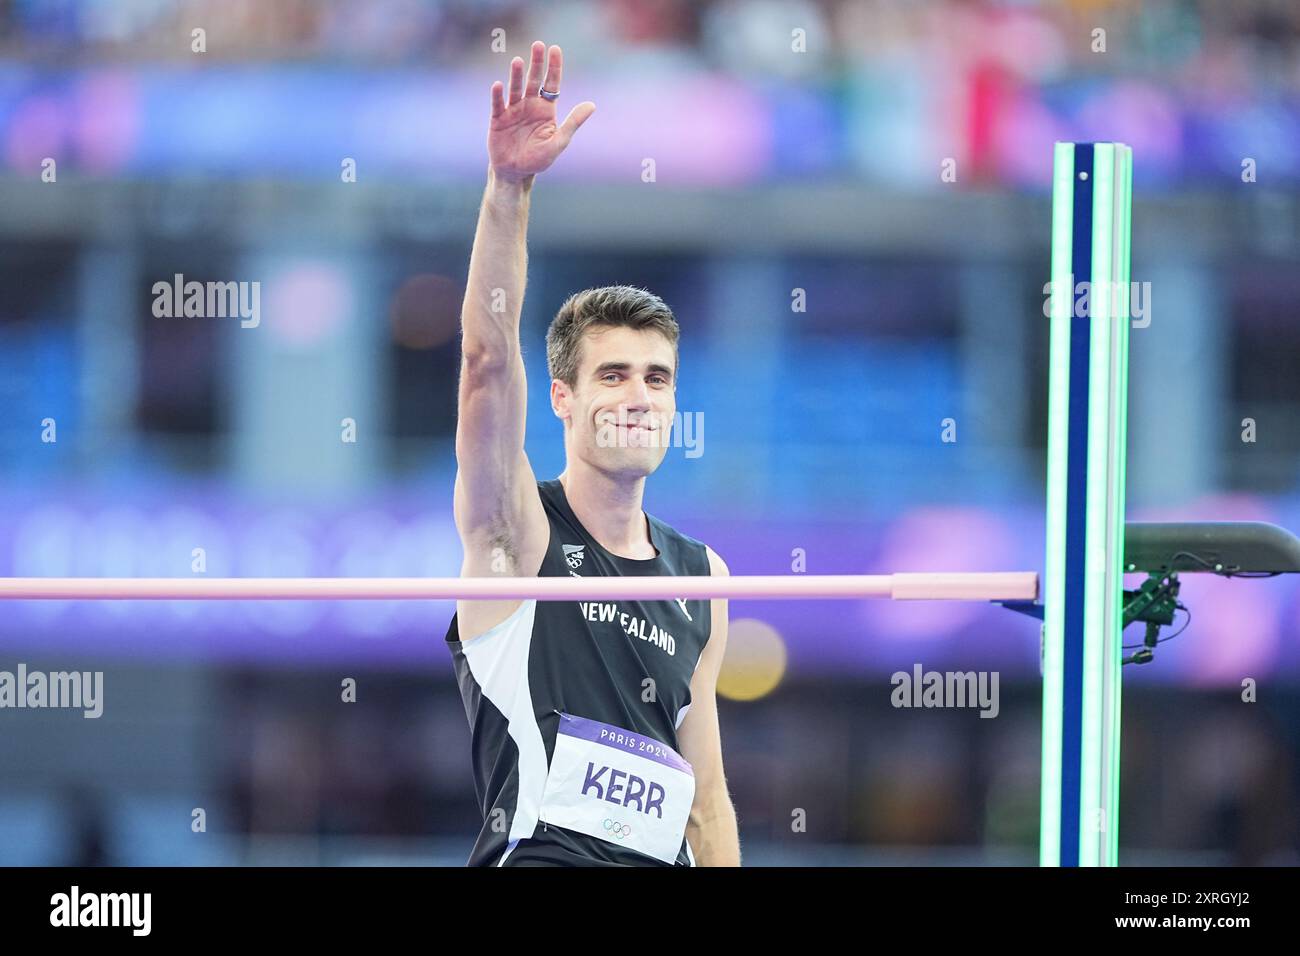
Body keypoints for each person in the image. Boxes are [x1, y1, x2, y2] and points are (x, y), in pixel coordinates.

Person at [445, 40, 739, 867]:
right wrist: (508, 190)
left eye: (657, 377)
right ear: (564, 398)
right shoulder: (516, 533)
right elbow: (486, 360)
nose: (640, 395)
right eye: (613, 374)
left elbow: (706, 803)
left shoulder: (703, 578)